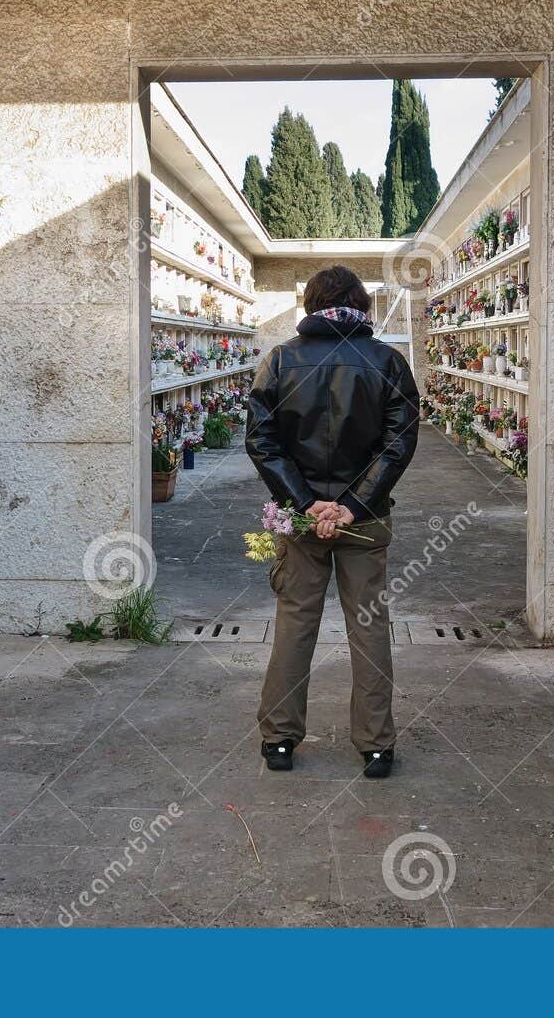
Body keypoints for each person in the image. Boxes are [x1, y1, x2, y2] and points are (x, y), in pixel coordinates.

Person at [245, 265, 419, 779]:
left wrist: (304, 505)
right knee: (370, 628)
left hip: (300, 524)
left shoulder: (281, 361)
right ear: (361, 306)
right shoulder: (387, 362)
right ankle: (376, 747)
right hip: (364, 521)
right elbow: (399, 440)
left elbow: (262, 440)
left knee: (295, 624)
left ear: (311, 305)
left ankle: (279, 740)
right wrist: (354, 505)